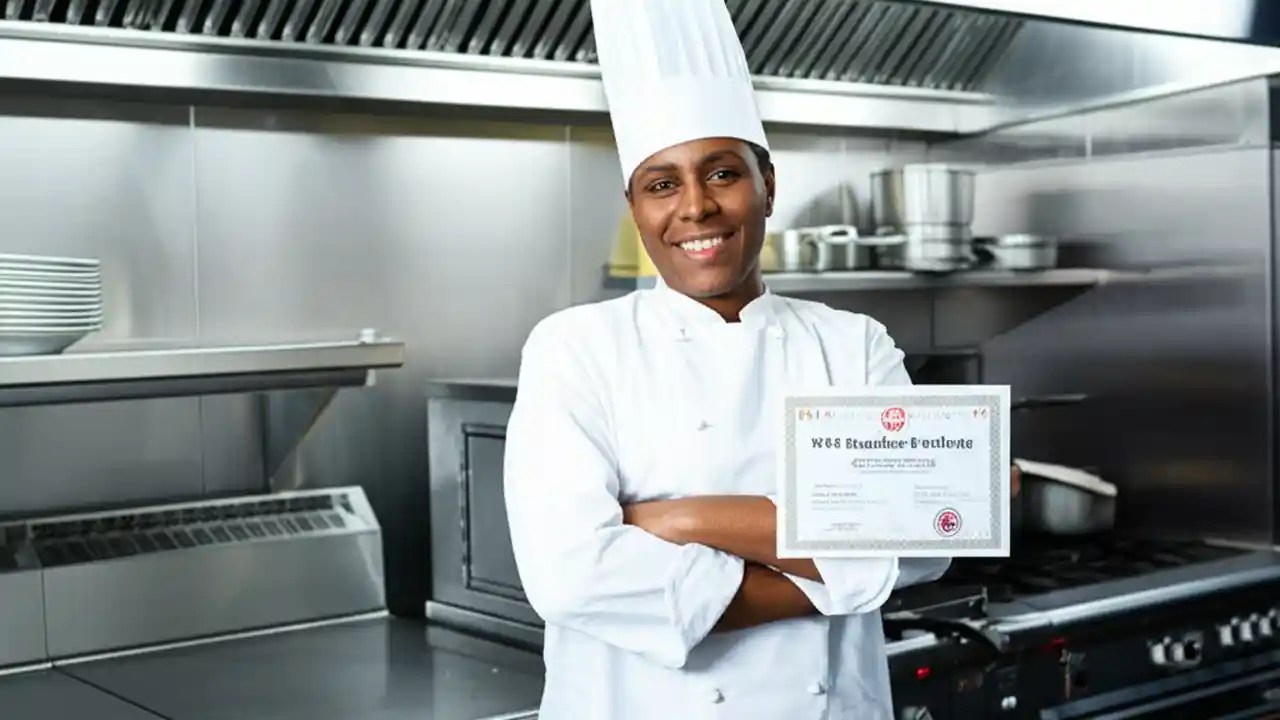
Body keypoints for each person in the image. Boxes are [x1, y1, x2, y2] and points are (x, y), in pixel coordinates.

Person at [502, 1, 953, 717]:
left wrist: (677, 519)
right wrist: (840, 569)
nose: (695, 208)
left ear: (768, 185)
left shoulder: (851, 343)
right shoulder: (575, 348)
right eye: (661, 184)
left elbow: (926, 543)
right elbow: (572, 575)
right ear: (636, 208)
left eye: (721, 174)